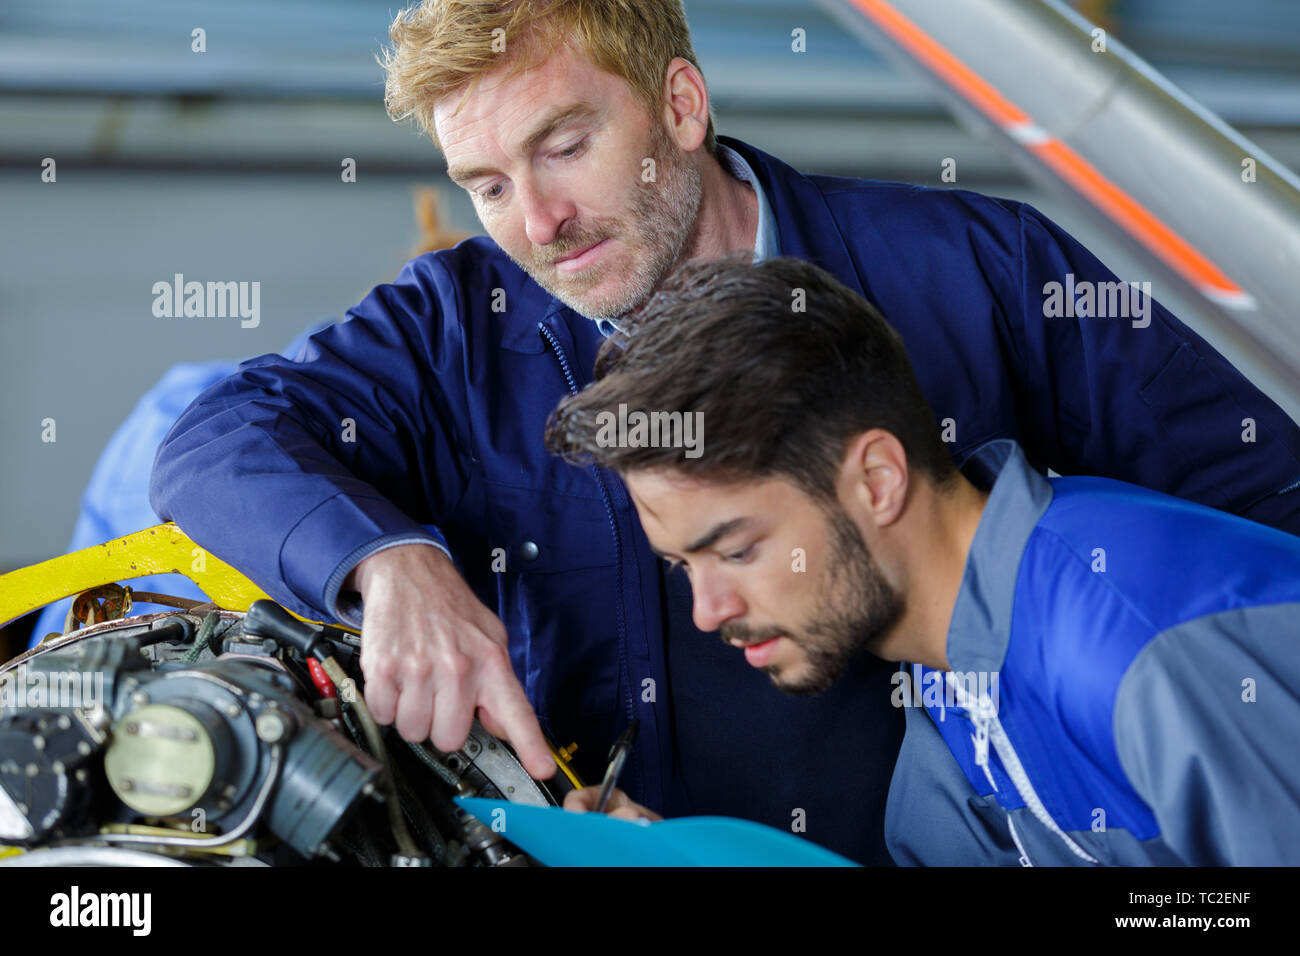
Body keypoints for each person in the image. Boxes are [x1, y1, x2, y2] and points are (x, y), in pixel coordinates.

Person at [148, 0, 1300, 864]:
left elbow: (1252, 523)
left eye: (563, 146)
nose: (538, 223)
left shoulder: (978, 271)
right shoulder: (452, 329)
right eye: (486, 184)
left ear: (681, 106)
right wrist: (389, 562)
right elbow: (214, 439)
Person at [548, 254, 1300, 865]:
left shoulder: (1142, 647)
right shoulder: (948, 677)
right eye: (682, 567)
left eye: (738, 550)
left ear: (877, 481)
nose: (709, 613)